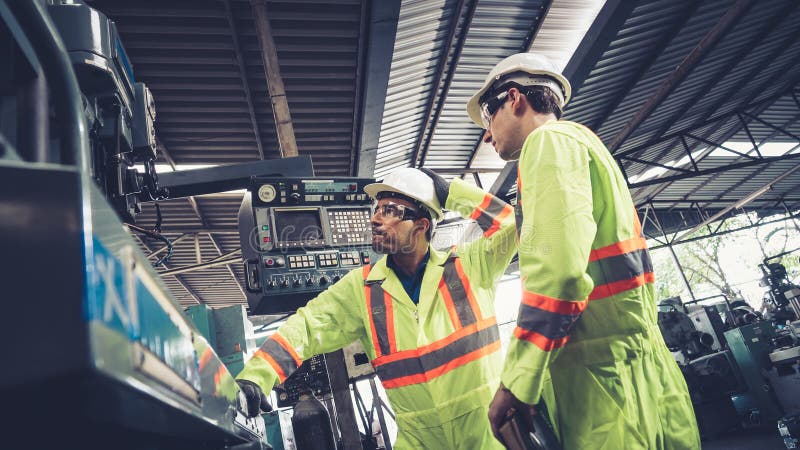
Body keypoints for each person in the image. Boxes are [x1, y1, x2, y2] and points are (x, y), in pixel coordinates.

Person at [466, 53, 701, 449]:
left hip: (601, 387)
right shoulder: (586, 144)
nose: (486, 135)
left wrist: (518, 381)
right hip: (647, 370)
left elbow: (558, 277)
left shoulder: (546, 143)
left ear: (514, 98)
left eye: (488, 117)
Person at [236, 167, 517, 449]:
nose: (374, 219)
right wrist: (258, 375)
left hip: (489, 437)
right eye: (377, 208)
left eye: (391, 210)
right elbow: (307, 326)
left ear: (421, 226)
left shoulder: (470, 266)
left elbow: (513, 225)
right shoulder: (363, 289)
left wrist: (454, 193)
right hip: (419, 442)